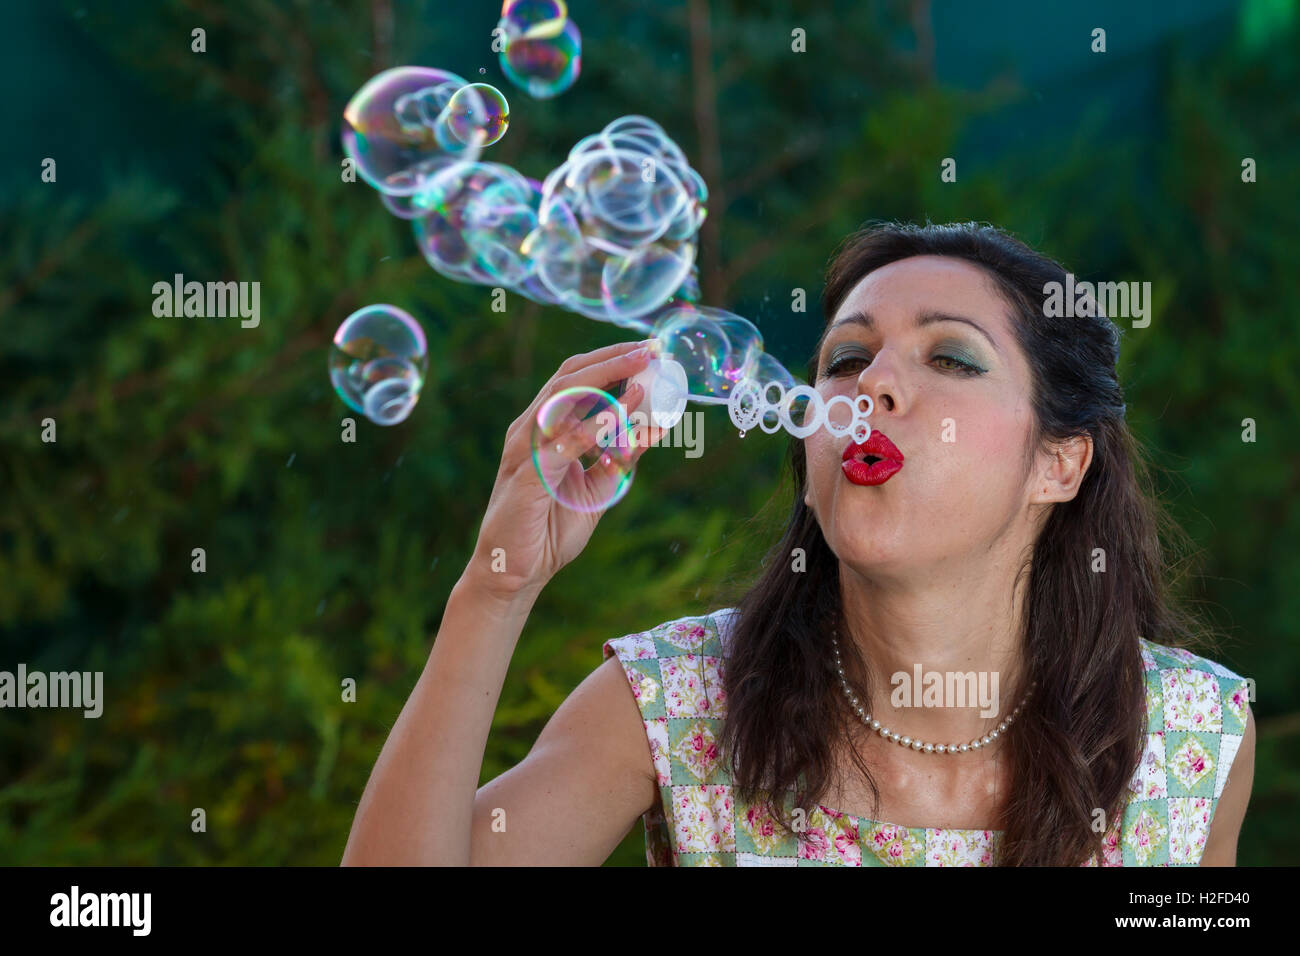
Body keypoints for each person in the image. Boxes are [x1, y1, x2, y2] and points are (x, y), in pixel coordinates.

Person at [340, 221, 1254, 867]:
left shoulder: (1191, 740)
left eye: (950, 358)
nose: (873, 386)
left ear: (1058, 463)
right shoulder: (677, 702)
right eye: (846, 360)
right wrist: (495, 590)